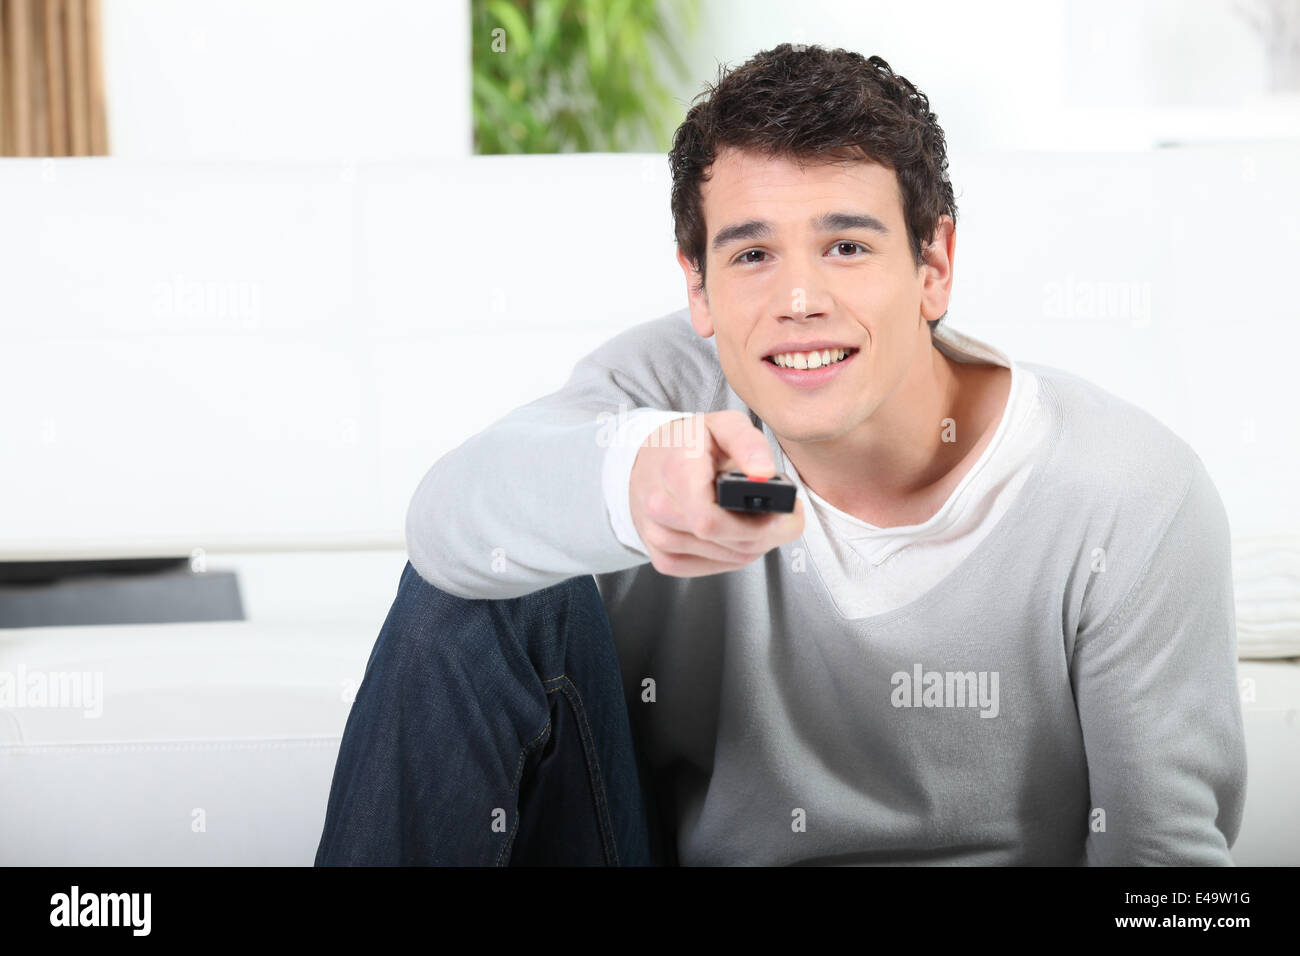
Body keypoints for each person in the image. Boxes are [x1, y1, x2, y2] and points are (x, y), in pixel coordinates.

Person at [316, 44, 1246, 866]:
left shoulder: (1127, 495)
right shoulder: (663, 389)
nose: (798, 298)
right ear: (700, 285)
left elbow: (1161, 868)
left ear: (934, 266)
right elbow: (448, 524)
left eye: (845, 245)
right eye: (753, 255)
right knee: (494, 579)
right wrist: (635, 478)